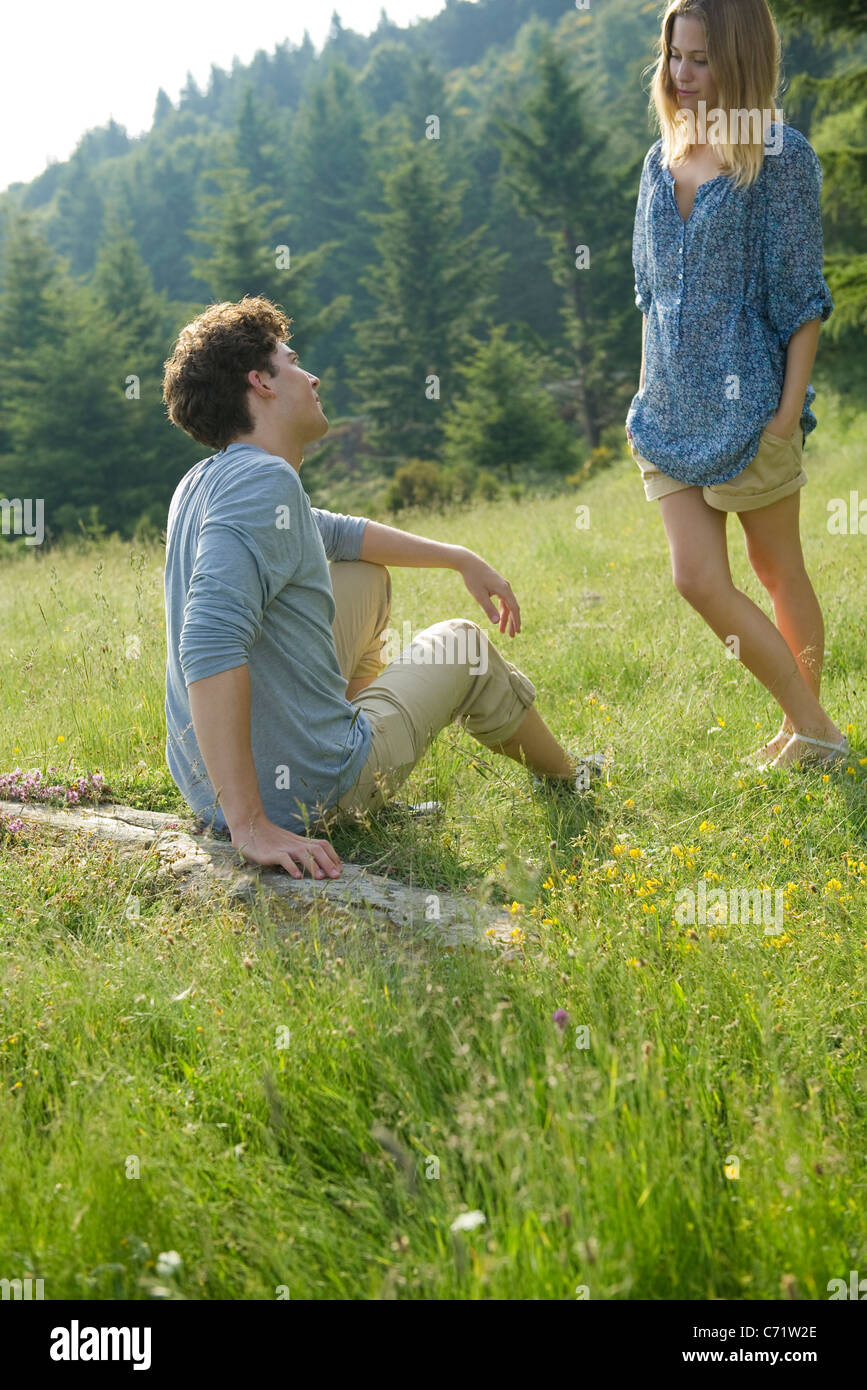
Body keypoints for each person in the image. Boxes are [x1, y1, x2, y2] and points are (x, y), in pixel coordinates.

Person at [162, 296, 595, 881]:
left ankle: (353, 767)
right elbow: (209, 644)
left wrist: (457, 557)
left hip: (207, 789)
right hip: (295, 796)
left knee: (363, 578)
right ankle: (571, 778)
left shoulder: (205, 480)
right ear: (260, 382)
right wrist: (251, 826)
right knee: (464, 645)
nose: (310, 377)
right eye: (292, 362)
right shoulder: (261, 482)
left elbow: (333, 535)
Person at [625, 0, 848, 771]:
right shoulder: (659, 158)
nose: (682, 75)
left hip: (750, 412)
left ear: (740, 60)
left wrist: (784, 419)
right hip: (664, 415)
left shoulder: (779, 158)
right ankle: (814, 725)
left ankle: (803, 734)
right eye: (674, 57)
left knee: (775, 570)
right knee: (696, 580)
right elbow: (650, 294)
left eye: (701, 59)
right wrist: (645, 390)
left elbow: (800, 303)